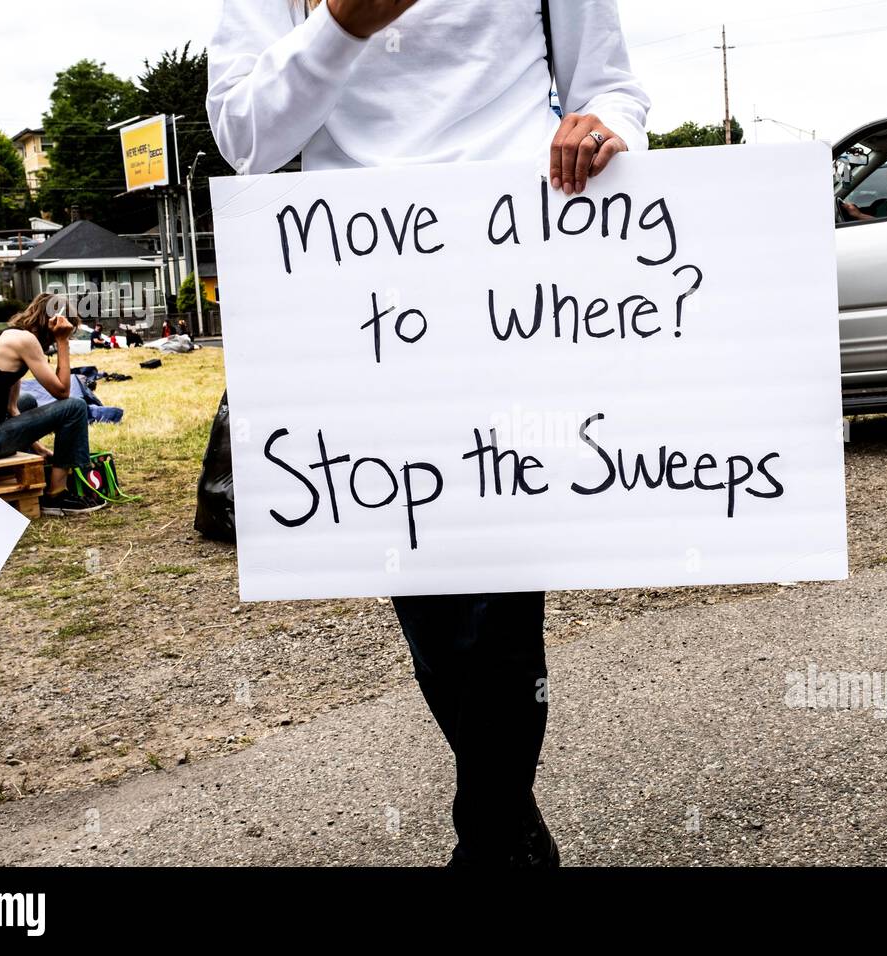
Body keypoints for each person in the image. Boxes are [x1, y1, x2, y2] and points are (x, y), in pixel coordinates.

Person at [209, 0, 650, 868]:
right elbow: (245, 137)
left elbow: (613, 85)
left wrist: (606, 127)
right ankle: (505, 823)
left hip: (521, 273)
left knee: (499, 592)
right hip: (364, 286)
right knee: (432, 593)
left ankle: (490, 832)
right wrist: (344, 23)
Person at [0, 293, 104, 516]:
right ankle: (57, 494)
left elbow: (12, 408)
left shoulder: (10, 337)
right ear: (54, 323)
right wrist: (63, 342)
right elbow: (62, 392)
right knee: (75, 407)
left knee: (27, 400)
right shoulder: (26, 342)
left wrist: (37, 447)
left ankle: (42, 471)